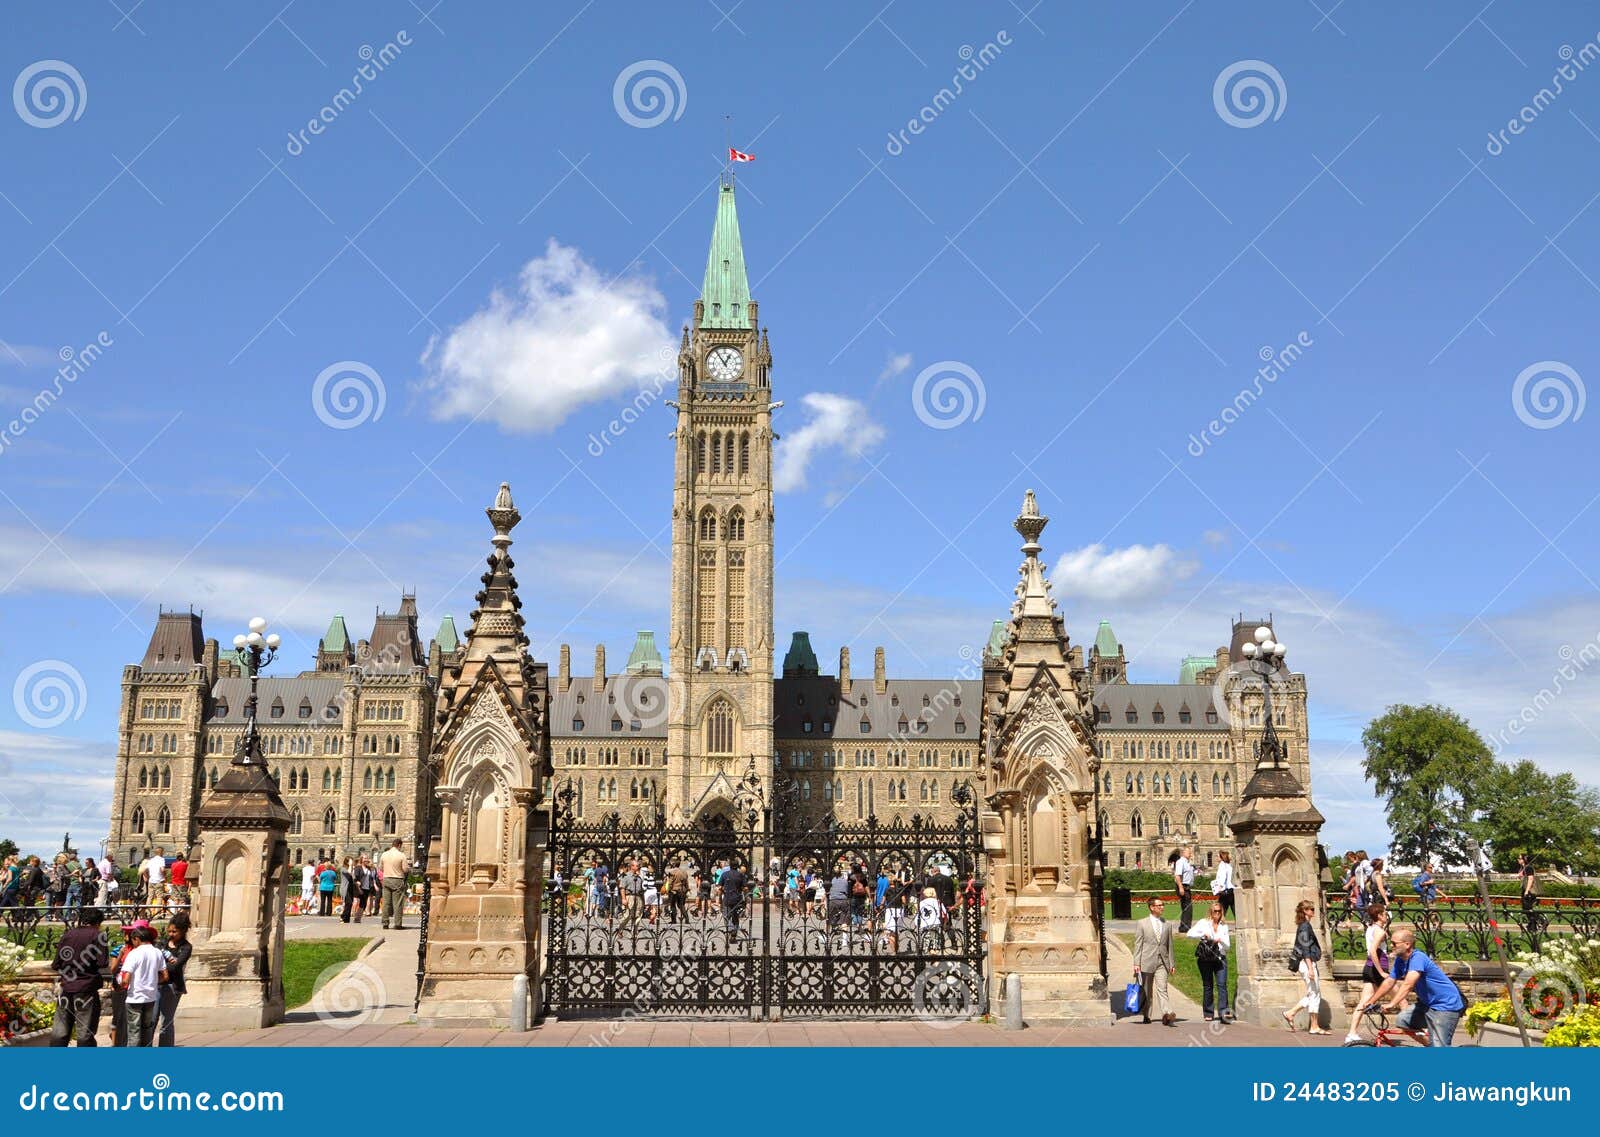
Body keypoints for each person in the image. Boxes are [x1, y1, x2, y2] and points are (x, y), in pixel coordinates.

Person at [1369, 926, 1465, 1047]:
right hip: (1426, 1004)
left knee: (1440, 1046)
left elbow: (1408, 984)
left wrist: (1391, 1004)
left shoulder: (1418, 958)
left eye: (1394, 943)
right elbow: (1389, 981)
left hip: (1445, 1005)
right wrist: (1370, 1002)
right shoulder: (1400, 960)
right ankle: (1430, 1046)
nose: (1391, 946)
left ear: (1407, 944)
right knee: (1403, 1020)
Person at [49, 906, 108, 1046]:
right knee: (84, 1031)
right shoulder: (98, 936)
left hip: (66, 986)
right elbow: (102, 962)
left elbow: (56, 963)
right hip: (86, 988)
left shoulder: (68, 934)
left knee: (60, 1030)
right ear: (98, 922)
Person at [1344, 900, 1391, 1044]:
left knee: (1364, 1002)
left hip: (1369, 968)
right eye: (1384, 914)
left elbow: (1376, 950)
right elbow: (1373, 951)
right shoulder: (1380, 931)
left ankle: (1352, 1033)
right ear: (1379, 915)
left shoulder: (1370, 928)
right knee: (1400, 997)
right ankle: (1416, 1030)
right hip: (1378, 969)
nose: (1387, 916)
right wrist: (1381, 972)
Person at [117, 922, 167, 1046]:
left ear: (137, 939)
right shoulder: (157, 952)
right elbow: (165, 976)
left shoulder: (134, 953)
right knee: (147, 1029)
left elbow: (126, 979)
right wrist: (153, 981)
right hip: (151, 997)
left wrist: (120, 986)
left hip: (135, 998)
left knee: (134, 1031)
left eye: (133, 940)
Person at [1283, 898, 1327, 1034]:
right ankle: (1313, 1026)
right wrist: (1310, 968)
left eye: (1313, 909)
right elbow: (1305, 949)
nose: (1313, 911)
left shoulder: (1305, 925)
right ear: (1304, 911)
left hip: (1308, 963)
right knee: (1314, 993)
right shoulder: (1304, 926)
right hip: (1306, 963)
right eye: (1311, 909)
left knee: (1314, 993)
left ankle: (1292, 1013)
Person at [1132, 898, 1175, 1026]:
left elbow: (1170, 945)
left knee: (1162, 988)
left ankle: (1167, 1013)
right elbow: (1138, 944)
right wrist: (1136, 963)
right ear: (1152, 907)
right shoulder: (1142, 923)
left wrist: (1172, 963)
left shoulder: (1167, 924)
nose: (1162, 907)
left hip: (1162, 962)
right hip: (1146, 961)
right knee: (1147, 991)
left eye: (1163, 904)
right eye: (1159, 905)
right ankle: (1147, 1015)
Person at [1187, 901, 1231, 1022]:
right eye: (1215, 911)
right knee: (1208, 985)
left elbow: (1227, 946)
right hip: (1205, 958)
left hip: (1220, 958)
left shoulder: (1224, 926)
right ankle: (1208, 1012)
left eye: (1219, 911)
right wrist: (1203, 934)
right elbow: (1189, 934)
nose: (1217, 913)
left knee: (1222, 985)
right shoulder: (1204, 923)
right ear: (1210, 912)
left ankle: (1223, 1013)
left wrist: (1220, 940)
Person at [156, 911, 191, 1047]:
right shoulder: (162, 943)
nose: (170, 934)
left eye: (174, 932)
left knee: (166, 1021)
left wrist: (162, 967)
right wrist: (166, 965)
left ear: (182, 931)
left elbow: (176, 966)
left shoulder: (186, 947)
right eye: (169, 931)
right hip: (157, 984)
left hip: (173, 986)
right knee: (151, 1019)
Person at [379, 839, 409, 929]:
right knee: (398, 903)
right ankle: (398, 923)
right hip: (397, 879)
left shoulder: (384, 854)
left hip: (387, 878)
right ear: (399, 845)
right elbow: (405, 869)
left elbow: (380, 868)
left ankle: (385, 922)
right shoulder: (401, 855)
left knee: (386, 902)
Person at [882, 870, 911, 953]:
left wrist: (880, 906)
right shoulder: (900, 889)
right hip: (899, 910)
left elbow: (883, 901)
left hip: (890, 910)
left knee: (891, 931)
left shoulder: (887, 890)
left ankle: (894, 951)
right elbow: (904, 901)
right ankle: (896, 948)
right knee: (897, 930)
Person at [720, 859, 746, 937]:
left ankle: (731, 929)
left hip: (727, 897)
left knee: (726, 915)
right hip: (737, 898)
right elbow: (745, 888)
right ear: (737, 866)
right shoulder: (740, 875)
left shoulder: (725, 874)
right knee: (735, 916)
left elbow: (720, 886)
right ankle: (734, 931)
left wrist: (722, 892)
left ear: (730, 866)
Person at [1173, 846, 1196, 932]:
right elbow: (1177, 875)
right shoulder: (1180, 862)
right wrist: (1180, 887)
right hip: (1183, 886)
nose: (1190, 854)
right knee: (1187, 907)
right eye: (1189, 852)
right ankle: (1184, 927)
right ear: (1183, 853)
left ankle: (1184, 927)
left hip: (1187, 887)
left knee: (1187, 907)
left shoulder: (1187, 863)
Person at [1518, 853, 1540, 933]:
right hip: (1525, 890)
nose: (1518, 860)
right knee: (1526, 908)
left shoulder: (1528, 868)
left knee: (1528, 908)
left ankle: (1536, 923)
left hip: (1529, 891)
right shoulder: (1523, 868)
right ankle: (1532, 925)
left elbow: (1531, 879)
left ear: (1524, 860)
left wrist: (1527, 891)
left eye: (1520, 858)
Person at [1212, 850, 1235, 917]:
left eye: (1217, 856)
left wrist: (1219, 888)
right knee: (1234, 909)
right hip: (1231, 890)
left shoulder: (1222, 865)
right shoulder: (1228, 865)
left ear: (1221, 857)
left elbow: (1222, 877)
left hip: (1225, 891)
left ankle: (1218, 925)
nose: (1216, 857)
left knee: (1220, 910)